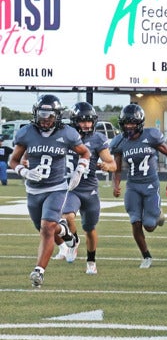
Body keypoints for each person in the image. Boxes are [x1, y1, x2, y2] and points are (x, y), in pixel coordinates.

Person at [9, 94, 91, 287]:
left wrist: (80, 169)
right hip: (34, 190)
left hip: (57, 187)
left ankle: (39, 272)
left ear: (58, 116)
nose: (45, 119)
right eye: (42, 114)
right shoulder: (27, 132)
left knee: (47, 228)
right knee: (45, 228)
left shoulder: (68, 133)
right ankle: (66, 233)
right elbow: (13, 160)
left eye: (50, 115)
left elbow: (85, 152)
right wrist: (25, 171)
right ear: (36, 114)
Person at [110, 104, 167, 269]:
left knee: (149, 225)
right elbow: (117, 168)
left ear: (139, 123)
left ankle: (157, 213)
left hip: (150, 185)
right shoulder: (119, 142)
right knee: (135, 221)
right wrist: (116, 184)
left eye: (132, 123)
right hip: (133, 186)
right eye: (126, 123)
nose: (129, 126)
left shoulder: (151, 136)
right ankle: (146, 256)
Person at [55, 102, 117, 275]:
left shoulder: (97, 138)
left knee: (90, 229)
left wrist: (106, 166)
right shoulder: (65, 135)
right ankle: (73, 241)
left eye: (89, 121)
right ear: (75, 121)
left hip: (89, 189)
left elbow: (113, 164)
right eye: (82, 121)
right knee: (67, 215)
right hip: (71, 188)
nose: (87, 124)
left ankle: (91, 261)